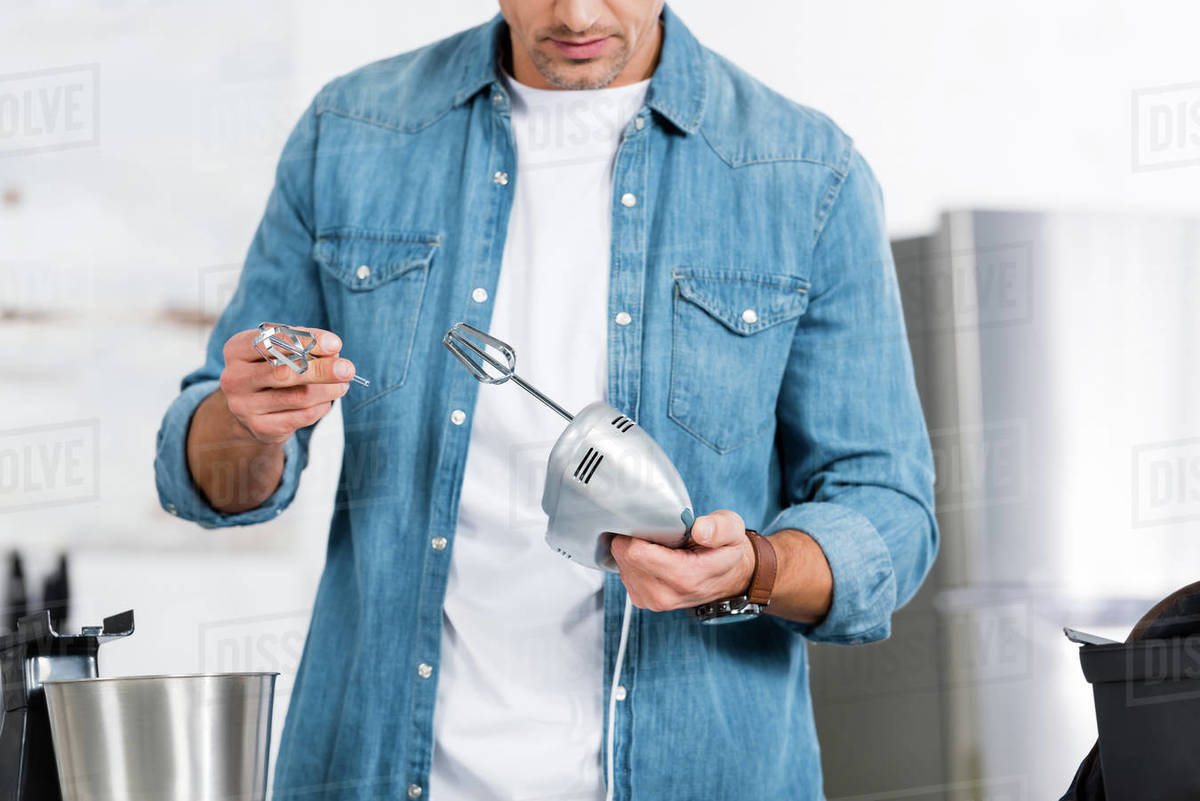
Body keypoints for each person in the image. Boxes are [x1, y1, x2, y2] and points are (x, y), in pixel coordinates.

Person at [154, 2, 938, 799]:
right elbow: (206, 477)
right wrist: (245, 420)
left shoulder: (805, 172)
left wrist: (752, 568)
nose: (573, 13)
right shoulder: (352, 133)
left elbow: (889, 508)